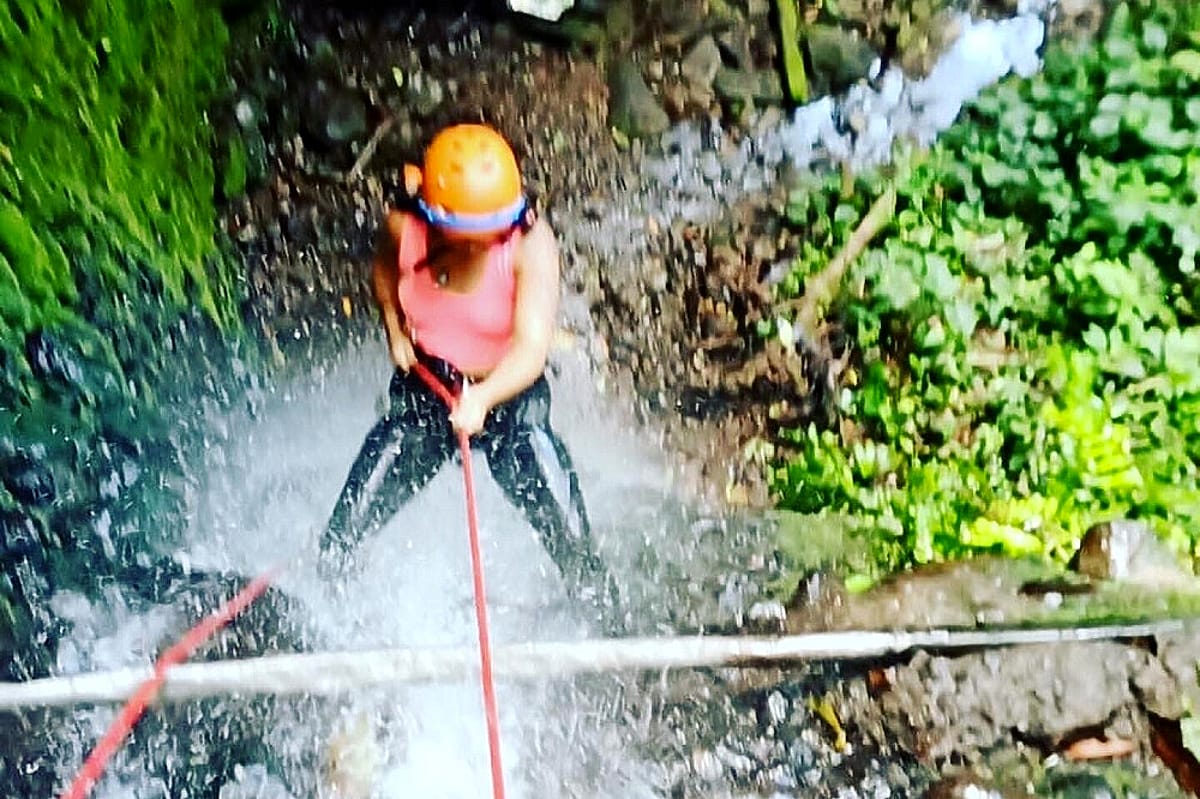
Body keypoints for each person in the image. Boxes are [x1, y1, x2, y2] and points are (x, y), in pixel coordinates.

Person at [317, 122, 623, 631]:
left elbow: (530, 350)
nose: (484, 247)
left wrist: (483, 398)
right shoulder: (405, 228)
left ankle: (600, 615)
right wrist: (396, 331)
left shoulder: (530, 246)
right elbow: (383, 271)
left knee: (568, 533)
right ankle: (332, 612)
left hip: (508, 397)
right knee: (343, 534)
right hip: (428, 388)